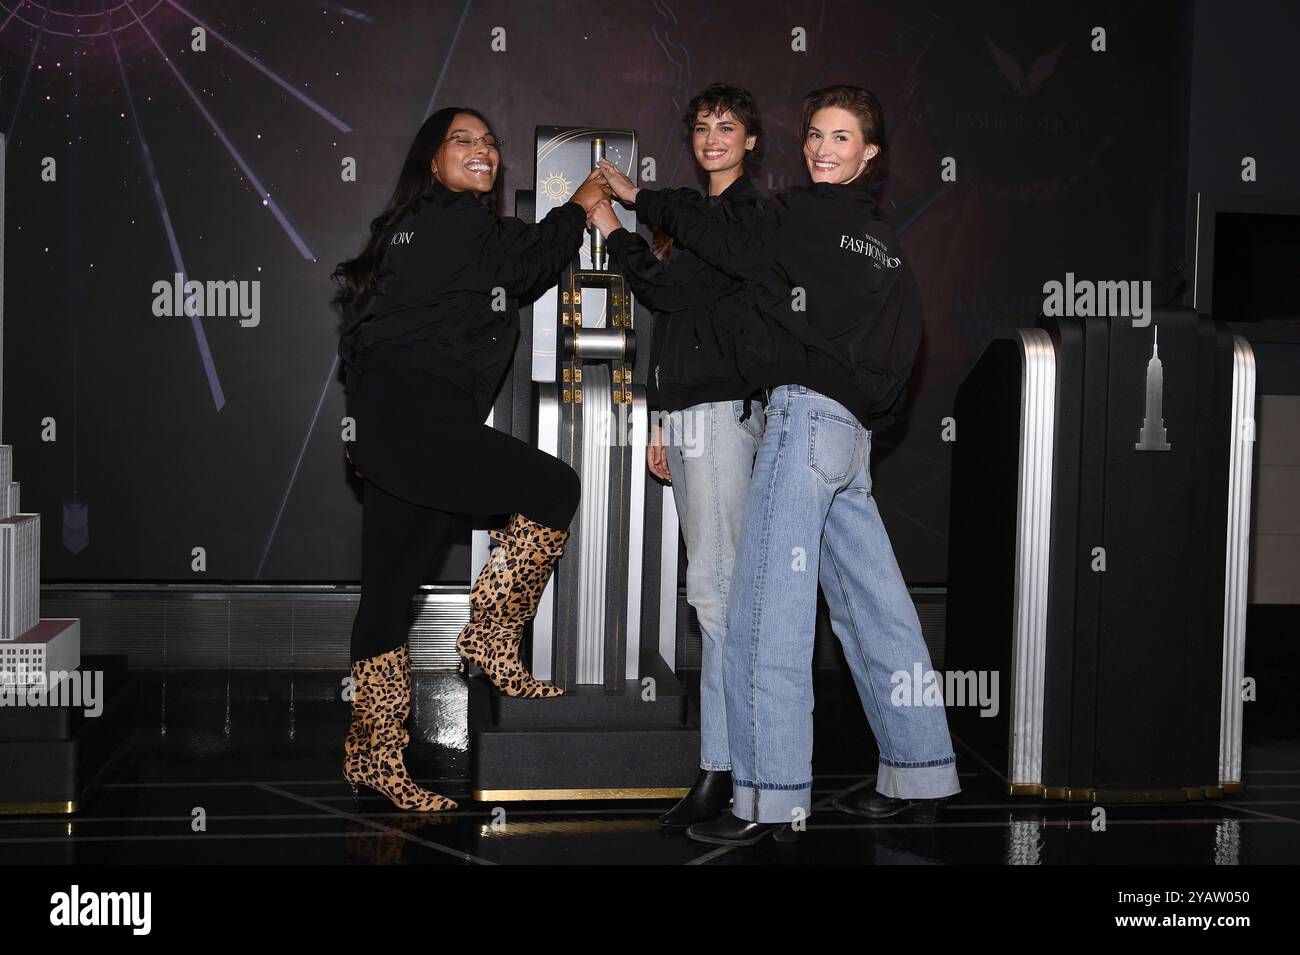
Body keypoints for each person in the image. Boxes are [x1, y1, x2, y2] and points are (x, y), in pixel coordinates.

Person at [593, 84, 960, 845]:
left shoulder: (798, 215)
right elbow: (905, 346)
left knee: (766, 619)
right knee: (879, 611)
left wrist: (637, 198)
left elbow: (716, 233)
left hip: (800, 421)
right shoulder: (884, 241)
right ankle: (922, 770)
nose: (824, 149)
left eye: (841, 139)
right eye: (818, 136)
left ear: (870, 154)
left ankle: (767, 796)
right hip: (852, 438)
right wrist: (865, 416)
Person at [333, 106, 610, 812]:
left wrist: (360, 432)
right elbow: (526, 262)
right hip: (418, 420)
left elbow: (358, 338)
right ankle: (488, 638)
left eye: (490, 142)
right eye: (464, 140)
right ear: (433, 159)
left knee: (388, 593)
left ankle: (372, 758)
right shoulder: (456, 219)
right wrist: (579, 208)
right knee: (554, 488)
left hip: (399, 424)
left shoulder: (412, 228)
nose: (482, 150)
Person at [586, 83, 765, 829]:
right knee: (714, 595)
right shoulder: (700, 219)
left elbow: (662, 289)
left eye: (727, 127)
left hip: (724, 414)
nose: (713, 137)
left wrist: (611, 220)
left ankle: (728, 769)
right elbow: (679, 325)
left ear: (752, 141)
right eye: (702, 127)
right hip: (693, 414)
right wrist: (661, 419)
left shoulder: (744, 217)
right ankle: (731, 766)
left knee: (719, 596)